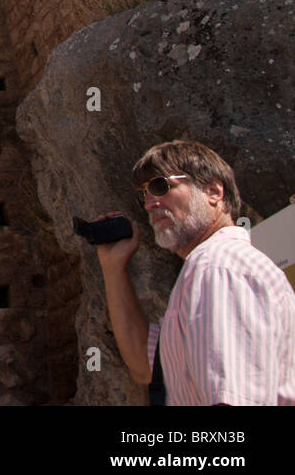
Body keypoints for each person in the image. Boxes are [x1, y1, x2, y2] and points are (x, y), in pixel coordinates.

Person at [95, 139, 295, 405]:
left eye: (160, 186)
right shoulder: (212, 265)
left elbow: (232, 399)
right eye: (144, 194)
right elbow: (148, 369)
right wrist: (113, 267)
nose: (149, 204)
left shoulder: (218, 265)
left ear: (213, 191)